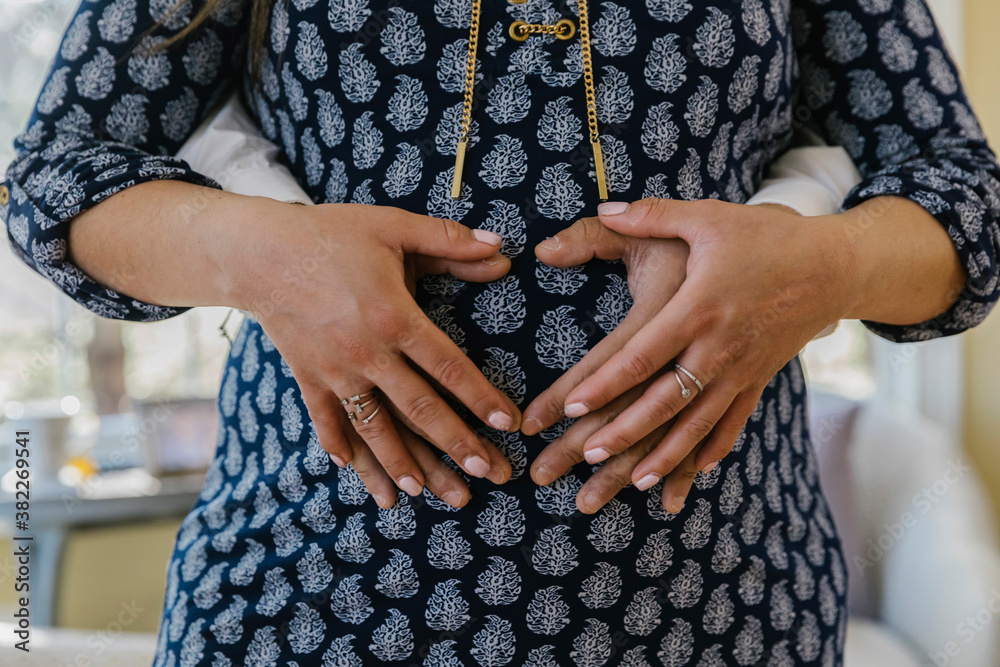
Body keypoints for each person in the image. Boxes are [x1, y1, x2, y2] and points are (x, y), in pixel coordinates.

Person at [2, 1, 998, 665]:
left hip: (722, 614)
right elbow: (59, 172)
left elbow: (963, 198)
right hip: (307, 608)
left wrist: (823, 265)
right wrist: (258, 254)